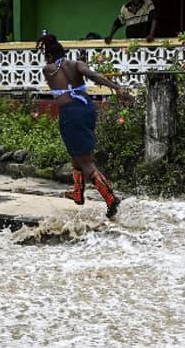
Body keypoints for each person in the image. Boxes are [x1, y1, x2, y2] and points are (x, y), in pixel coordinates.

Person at [37, 33, 131, 218]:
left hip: (71, 113)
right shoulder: (77, 64)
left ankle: (111, 199)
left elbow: (60, 73)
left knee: (86, 162)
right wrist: (117, 88)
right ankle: (78, 192)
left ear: (49, 56)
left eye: (46, 56)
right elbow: (93, 76)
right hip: (87, 109)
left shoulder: (48, 69)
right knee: (77, 151)